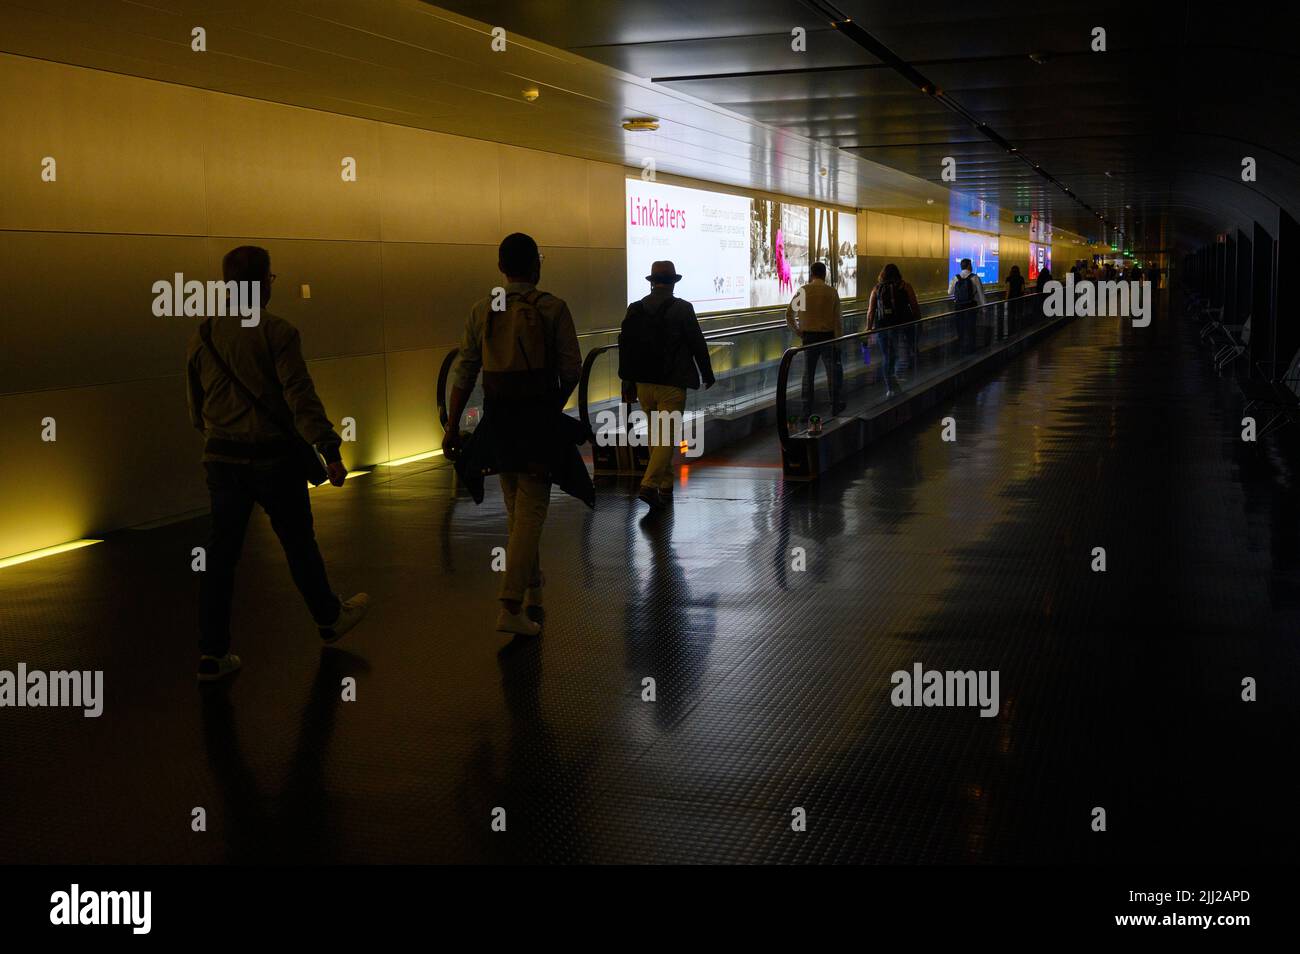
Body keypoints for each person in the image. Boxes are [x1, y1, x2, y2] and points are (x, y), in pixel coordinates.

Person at [186, 245, 369, 683]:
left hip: (221, 459)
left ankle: (212, 653)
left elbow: (196, 408)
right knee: (297, 543)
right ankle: (328, 617)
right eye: (271, 278)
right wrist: (329, 449)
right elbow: (299, 397)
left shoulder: (204, 334)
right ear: (264, 282)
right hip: (272, 459)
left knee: (220, 556)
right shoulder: (277, 332)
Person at [442, 233, 584, 637]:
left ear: (501, 267)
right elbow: (571, 369)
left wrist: (453, 426)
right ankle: (509, 603)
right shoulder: (553, 308)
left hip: (497, 421)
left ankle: (533, 588)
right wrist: (550, 409)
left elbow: (465, 371)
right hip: (536, 420)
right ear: (536, 265)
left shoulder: (482, 310)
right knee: (533, 509)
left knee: (514, 508)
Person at [619, 260, 715, 510]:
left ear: (652, 283)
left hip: (643, 384)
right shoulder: (682, 309)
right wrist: (707, 373)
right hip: (671, 384)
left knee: (655, 435)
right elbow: (697, 343)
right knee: (666, 437)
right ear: (673, 283)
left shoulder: (635, 309)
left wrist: (627, 381)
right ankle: (649, 485)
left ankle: (665, 485)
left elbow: (626, 348)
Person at [785, 261, 845, 419]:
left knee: (808, 375)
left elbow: (789, 314)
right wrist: (838, 341)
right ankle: (834, 406)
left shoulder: (804, 291)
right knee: (832, 374)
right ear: (825, 274)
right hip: (828, 338)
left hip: (808, 338)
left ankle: (806, 411)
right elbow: (838, 320)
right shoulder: (832, 292)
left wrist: (798, 331)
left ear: (811, 274)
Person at [866, 263, 921, 398]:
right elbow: (914, 306)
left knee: (888, 356)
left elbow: (871, 311)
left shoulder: (877, 289)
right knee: (905, 353)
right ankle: (898, 378)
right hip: (904, 326)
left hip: (883, 327)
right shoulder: (906, 286)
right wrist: (919, 323)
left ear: (882, 275)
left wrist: (868, 329)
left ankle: (890, 387)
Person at [948, 257, 986, 354]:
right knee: (971, 328)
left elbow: (949, 292)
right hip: (971, 306)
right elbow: (981, 294)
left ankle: (960, 347)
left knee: (960, 328)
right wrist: (984, 308)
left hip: (958, 307)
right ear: (969, 266)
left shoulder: (955, 278)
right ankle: (971, 348)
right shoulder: (975, 278)